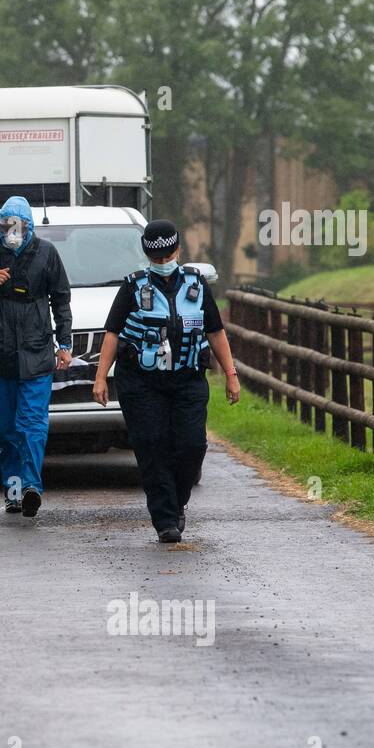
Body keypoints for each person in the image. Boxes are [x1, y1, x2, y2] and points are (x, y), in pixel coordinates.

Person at [92, 219, 241, 543]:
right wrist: (101, 377)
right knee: (152, 446)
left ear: (177, 250)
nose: (163, 263)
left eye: (167, 256)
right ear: (147, 255)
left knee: (191, 445)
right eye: (156, 258)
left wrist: (231, 375)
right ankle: (166, 520)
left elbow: (215, 331)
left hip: (187, 379)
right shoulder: (133, 286)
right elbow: (113, 333)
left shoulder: (196, 284)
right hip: (141, 382)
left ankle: (177, 501)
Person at [0, 196, 72, 517]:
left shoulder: (47, 253)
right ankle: (14, 490)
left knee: (32, 424)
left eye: (18, 227)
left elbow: (61, 299)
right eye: (6, 227)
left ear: (30, 228)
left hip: (36, 353)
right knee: (7, 429)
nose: (13, 233)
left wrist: (65, 342)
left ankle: (32, 486)